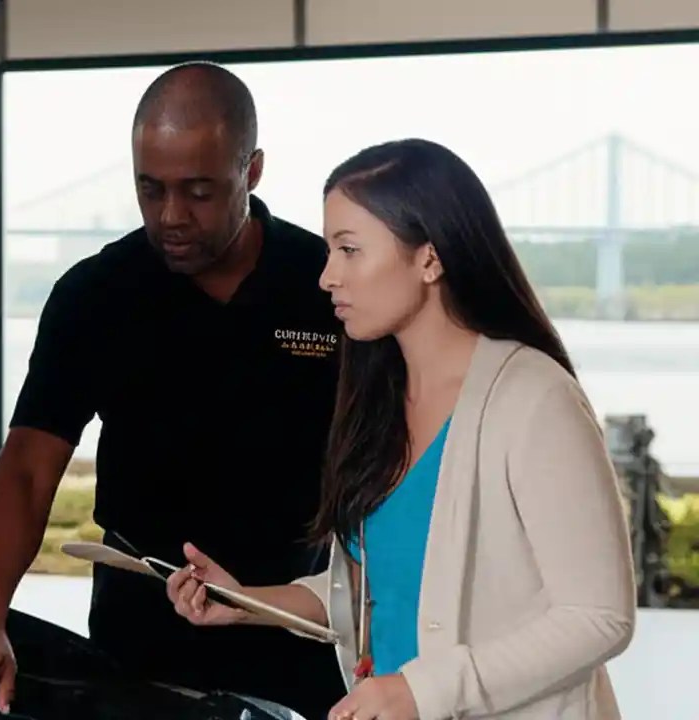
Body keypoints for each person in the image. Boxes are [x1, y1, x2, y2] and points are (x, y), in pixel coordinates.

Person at [165, 138, 637, 720]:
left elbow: (599, 616)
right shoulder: (379, 397)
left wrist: (425, 690)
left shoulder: (533, 399)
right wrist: (246, 602)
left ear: (429, 258)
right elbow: (378, 591)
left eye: (349, 250)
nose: (326, 277)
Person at [0, 62, 346, 718]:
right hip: (140, 634)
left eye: (199, 191)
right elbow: (28, 471)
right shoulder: (96, 295)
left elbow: (396, 467)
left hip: (295, 619)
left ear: (253, 169)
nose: (172, 216)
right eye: (150, 189)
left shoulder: (327, 286)